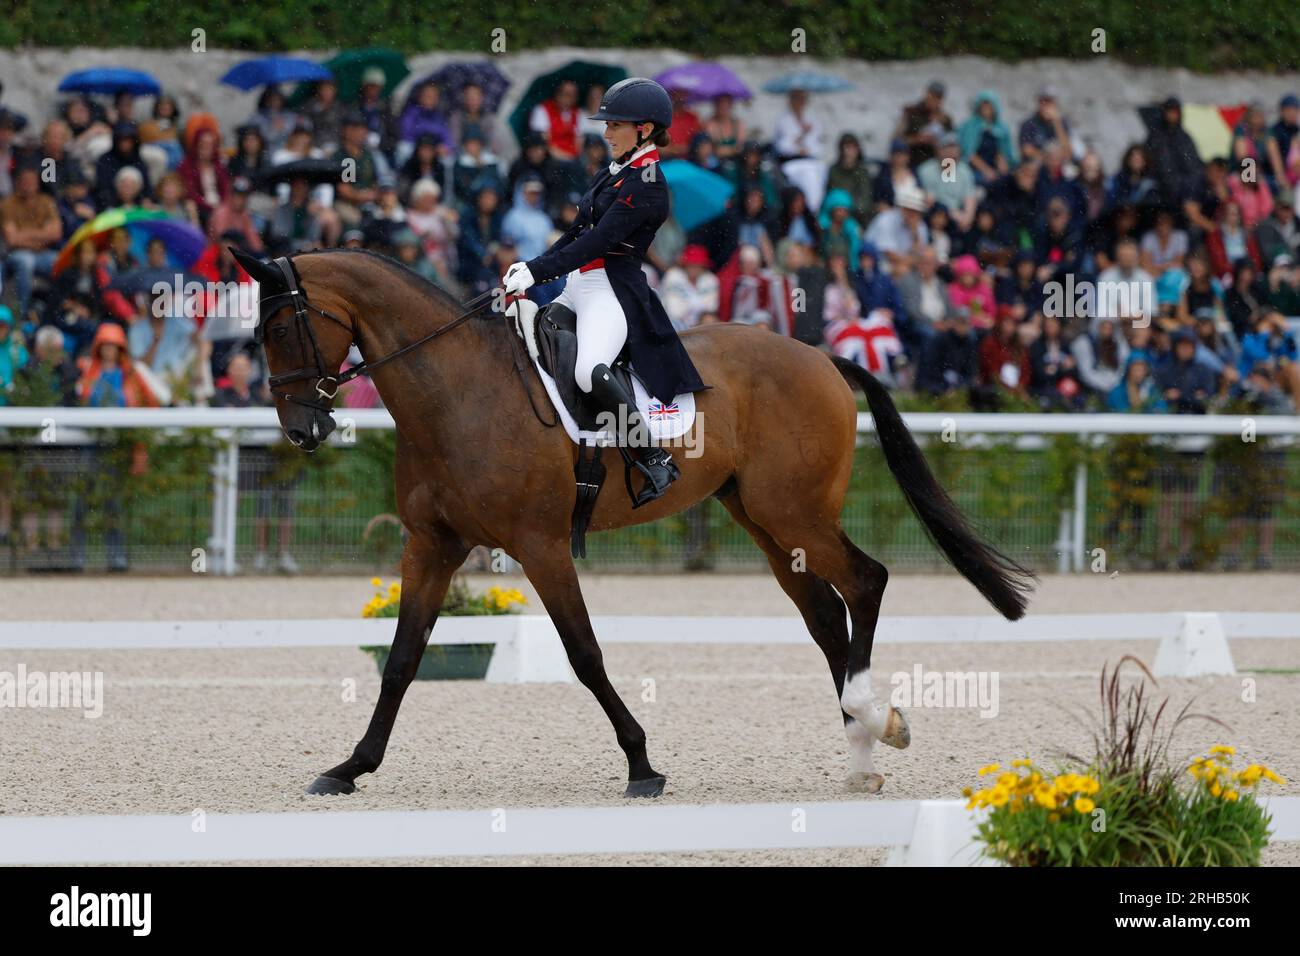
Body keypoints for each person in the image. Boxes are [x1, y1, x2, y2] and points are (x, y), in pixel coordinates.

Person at [503, 78, 708, 507]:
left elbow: (598, 243)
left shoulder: (648, 181)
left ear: (644, 130)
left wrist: (538, 272)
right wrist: (528, 270)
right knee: (527, 343)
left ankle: (654, 457)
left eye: (615, 124)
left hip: (610, 291)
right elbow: (576, 233)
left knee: (587, 369)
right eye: (607, 124)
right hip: (577, 286)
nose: (606, 132)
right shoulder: (613, 172)